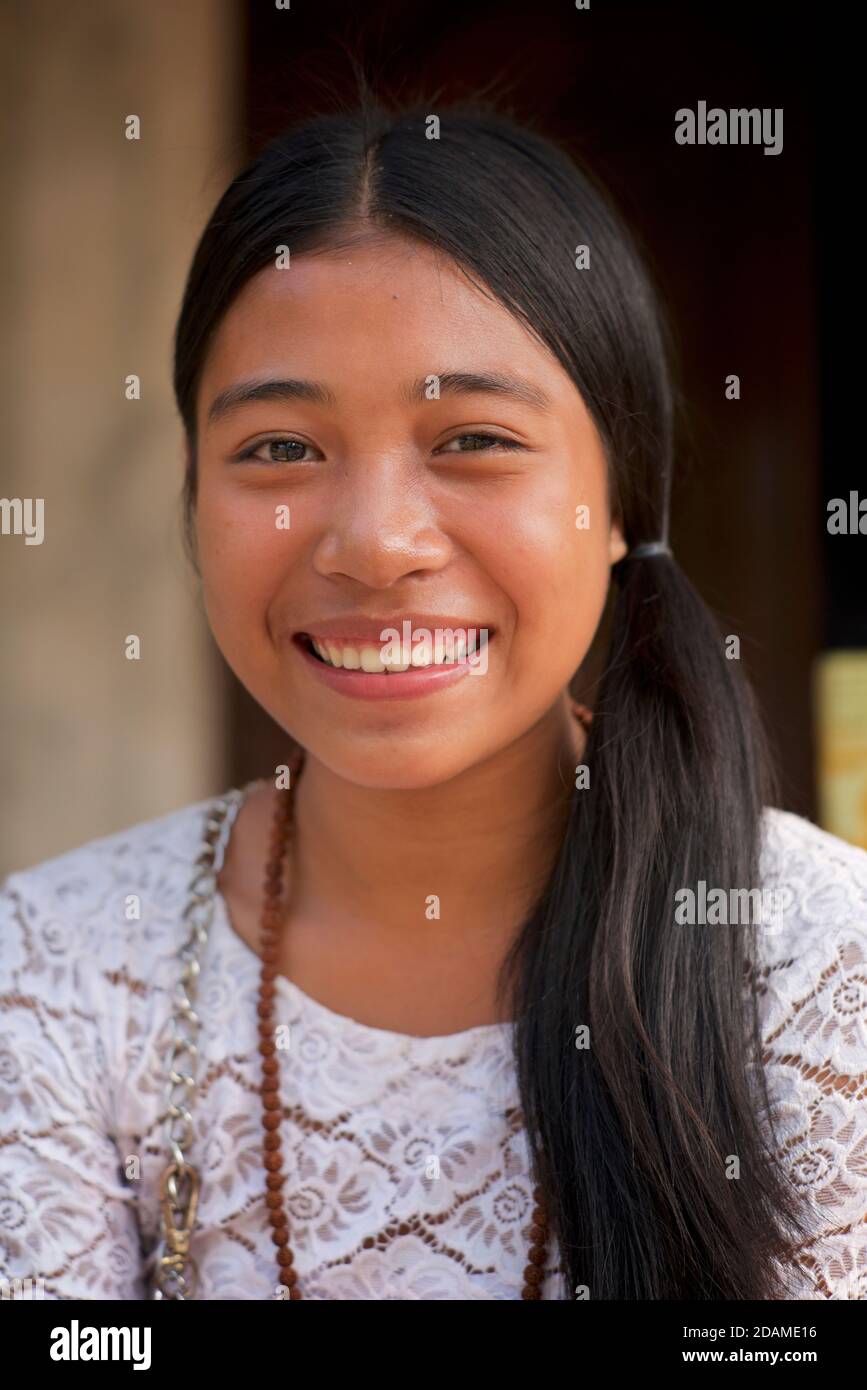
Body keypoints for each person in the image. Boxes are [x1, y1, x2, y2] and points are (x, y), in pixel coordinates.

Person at [1, 90, 865, 1302]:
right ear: (193, 498)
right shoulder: (54, 974)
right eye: (281, 449)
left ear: (621, 500)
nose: (375, 543)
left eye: (473, 440)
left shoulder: (825, 965)